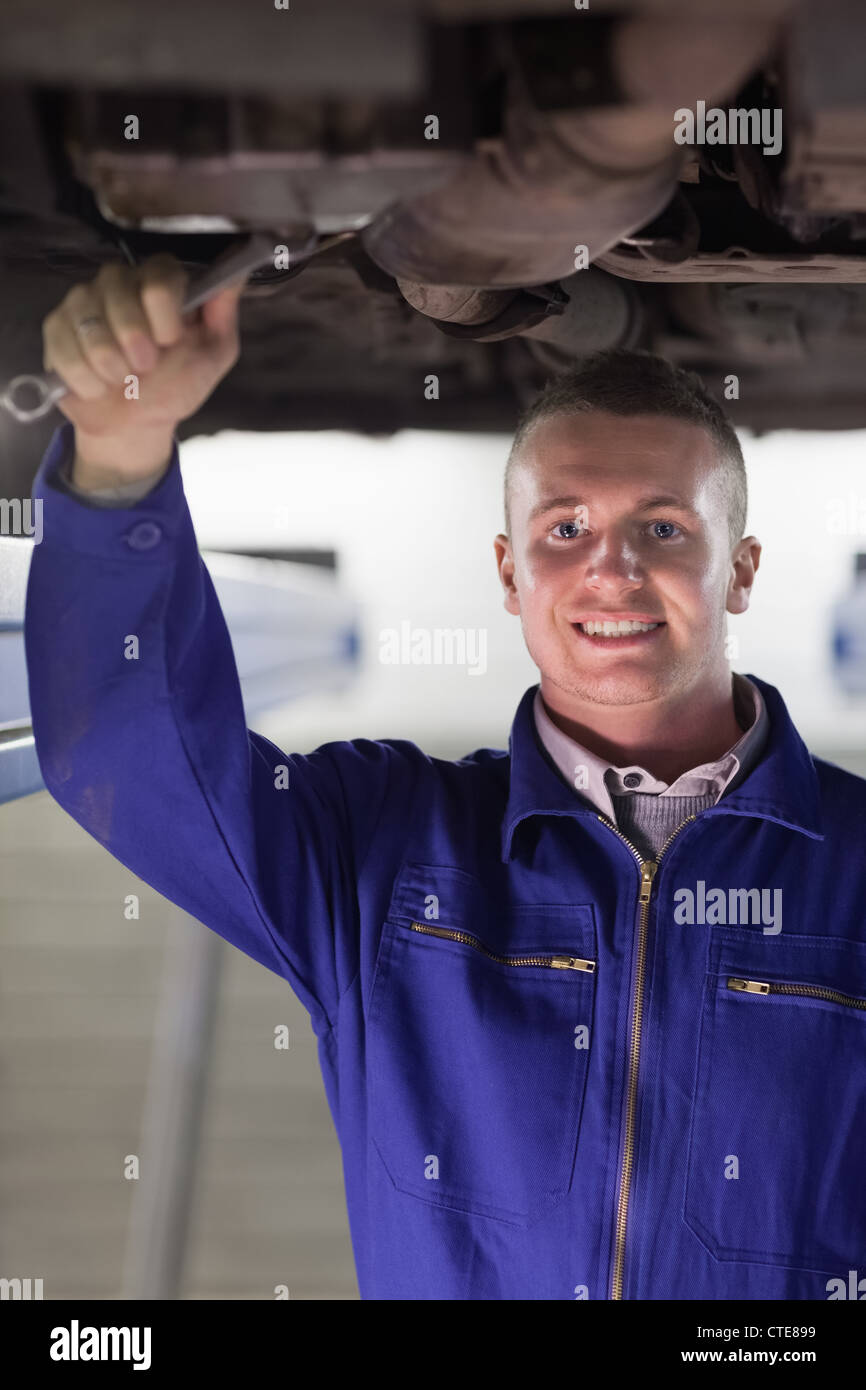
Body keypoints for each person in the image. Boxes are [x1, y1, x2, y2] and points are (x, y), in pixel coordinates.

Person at [25, 256, 866, 1301]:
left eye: (662, 527)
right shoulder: (382, 846)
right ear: (510, 570)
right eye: (564, 528)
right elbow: (123, 756)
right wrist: (117, 453)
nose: (611, 568)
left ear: (737, 568)